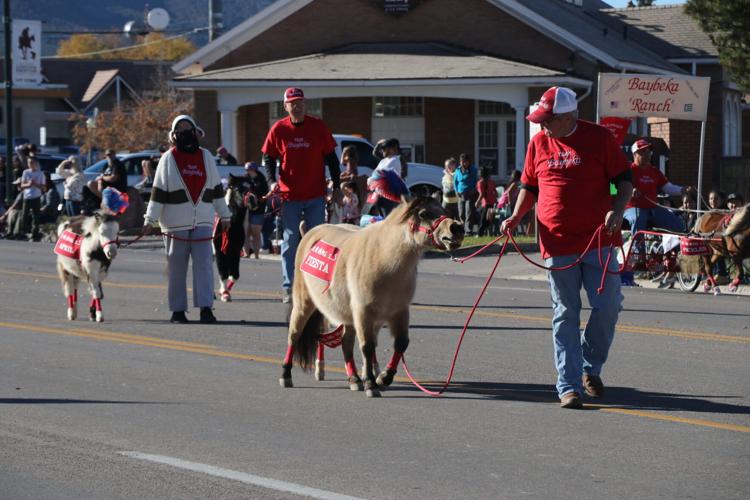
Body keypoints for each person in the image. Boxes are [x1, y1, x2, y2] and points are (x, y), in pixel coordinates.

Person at [500, 86, 633, 410]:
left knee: (609, 305)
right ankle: (568, 386)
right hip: (557, 241)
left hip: (598, 238)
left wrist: (617, 209)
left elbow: (625, 180)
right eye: (542, 120)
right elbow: (529, 186)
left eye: (549, 120)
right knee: (565, 314)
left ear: (568, 115)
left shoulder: (600, 139)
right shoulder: (538, 144)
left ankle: (589, 366)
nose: (543, 126)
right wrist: (516, 216)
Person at [143, 115, 232, 324]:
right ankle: (177, 310)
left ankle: (206, 308)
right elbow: (157, 193)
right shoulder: (168, 159)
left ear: (196, 132)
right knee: (176, 268)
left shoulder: (206, 156)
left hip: (203, 220)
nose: (185, 133)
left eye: (188, 129)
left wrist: (225, 215)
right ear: (174, 136)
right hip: (175, 222)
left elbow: (217, 189)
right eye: (180, 130)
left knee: (204, 266)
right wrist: (150, 219)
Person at [262, 87, 341, 303]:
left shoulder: (318, 127)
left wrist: (337, 185)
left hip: (316, 194)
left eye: (300, 102)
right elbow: (268, 158)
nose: (297, 106)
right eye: (292, 103)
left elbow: (332, 158)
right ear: (285, 106)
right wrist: (271, 182)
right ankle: (289, 287)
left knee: (317, 241)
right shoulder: (279, 129)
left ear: (305, 104)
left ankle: (316, 285)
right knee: (290, 240)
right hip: (289, 197)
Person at [623, 139, 691, 234]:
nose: (647, 155)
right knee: (638, 217)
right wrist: (630, 191)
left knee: (676, 222)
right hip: (631, 208)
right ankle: (638, 248)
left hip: (653, 209)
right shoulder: (627, 170)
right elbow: (613, 188)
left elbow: (667, 187)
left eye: (648, 151)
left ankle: (682, 246)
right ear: (634, 155)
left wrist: (682, 190)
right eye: (643, 152)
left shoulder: (654, 171)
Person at [368, 137, 404, 217]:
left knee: (386, 218)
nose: (382, 150)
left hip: (388, 197)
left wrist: (371, 179)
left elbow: (378, 175)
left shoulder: (395, 160)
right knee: (380, 218)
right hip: (380, 194)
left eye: (385, 148)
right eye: (382, 148)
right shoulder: (384, 160)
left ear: (393, 149)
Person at [13, 153, 45, 241]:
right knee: (24, 216)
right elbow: (22, 185)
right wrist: (29, 184)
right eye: (28, 163)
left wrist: (35, 184)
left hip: (36, 197)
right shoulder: (26, 172)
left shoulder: (40, 174)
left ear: (35, 163)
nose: (30, 164)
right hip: (27, 197)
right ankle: (22, 233)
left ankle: (35, 234)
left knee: (36, 216)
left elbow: (43, 187)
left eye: (32, 162)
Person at [243, 161, 269, 259]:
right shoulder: (245, 180)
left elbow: (265, 196)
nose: (248, 172)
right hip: (246, 211)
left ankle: (257, 254)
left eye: (250, 169)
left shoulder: (262, 181)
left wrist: (258, 201)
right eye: (247, 170)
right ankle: (246, 253)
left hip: (258, 210)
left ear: (254, 170)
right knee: (245, 233)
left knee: (256, 233)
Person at [453, 153, 478, 235]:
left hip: (470, 193)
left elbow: (476, 181)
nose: (464, 164)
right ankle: (462, 229)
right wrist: (456, 191)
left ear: (469, 162)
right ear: (460, 162)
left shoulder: (473, 169)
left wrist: (474, 190)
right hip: (460, 194)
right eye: (462, 162)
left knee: (469, 212)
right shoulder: (457, 170)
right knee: (461, 213)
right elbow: (455, 182)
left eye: (465, 162)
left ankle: (468, 230)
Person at [475, 166, 498, 236]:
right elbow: (496, 193)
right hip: (493, 203)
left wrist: (477, 202)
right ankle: (489, 233)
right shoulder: (492, 182)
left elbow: (482, 194)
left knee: (483, 220)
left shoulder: (480, 183)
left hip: (486, 204)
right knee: (489, 220)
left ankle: (479, 234)